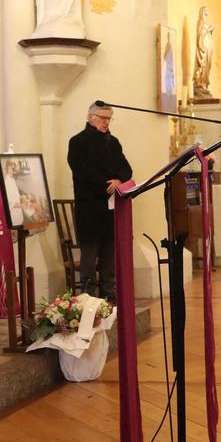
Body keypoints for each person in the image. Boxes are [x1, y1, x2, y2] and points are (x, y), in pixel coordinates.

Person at [67, 102, 132, 300]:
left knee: (109, 255)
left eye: (109, 118)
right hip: (89, 208)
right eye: (102, 118)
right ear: (90, 117)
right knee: (89, 255)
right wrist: (107, 184)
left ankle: (109, 296)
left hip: (110, 209)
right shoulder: (77, 142)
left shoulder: (113, 142)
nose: (106, 122)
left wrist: (119, 180)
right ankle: (88, 297)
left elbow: (126, 169)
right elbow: (82, 172)